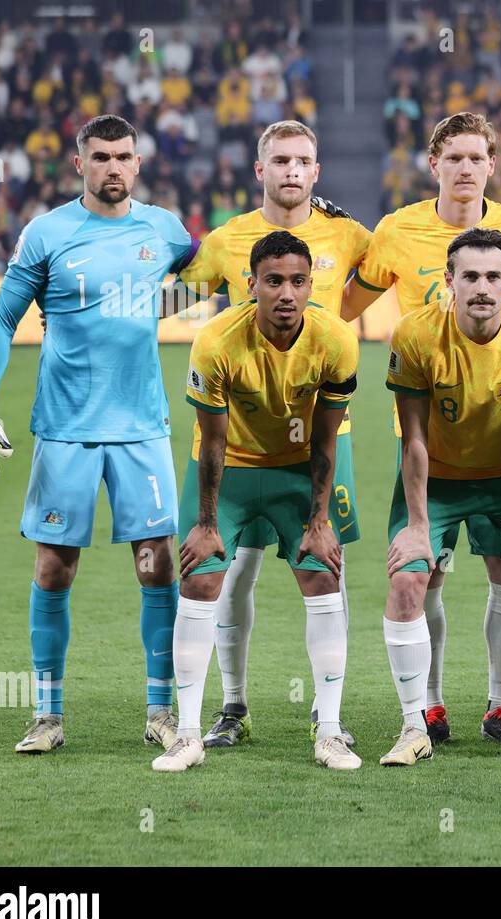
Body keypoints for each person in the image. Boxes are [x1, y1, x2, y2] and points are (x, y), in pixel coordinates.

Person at [342, 112, 501, 747]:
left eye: (475, 157)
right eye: (452, 157)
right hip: (432, 433)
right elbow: (341, 302)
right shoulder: (397, 230)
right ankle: (426, 707)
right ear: (435, 165)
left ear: (491, 164)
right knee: (419, 571)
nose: (464, 168)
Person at [0, 114, 197, 755]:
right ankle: (47, 716)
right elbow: (2, 316)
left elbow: (223, 275)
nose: (113, 167)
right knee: (54, 568)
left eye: (123, 156)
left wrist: (294, 218)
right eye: (101, 157)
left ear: (138, 163)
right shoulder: (48, 233)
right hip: (65, 429)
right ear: (80, 164)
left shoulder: (165, 229)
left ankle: (160, 710)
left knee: (155, 567)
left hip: (142, 428)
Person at [172, 119, 371, 748]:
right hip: (242, 433)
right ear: (259, 170)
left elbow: (412, 272)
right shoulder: (228, 240)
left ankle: (326, 711)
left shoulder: (351, 235)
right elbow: (172, 298)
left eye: (303, 160)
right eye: (279, 159)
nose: (291, 169)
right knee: (235, 570)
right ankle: (232, 705)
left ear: (317, 171)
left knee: (327, 565)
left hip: (322, 432)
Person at [154, 230, 360, 772]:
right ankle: (190, 735)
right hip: (233, 474)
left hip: (296, 472)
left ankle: (331, 732)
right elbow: (213, 441)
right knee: (201, 578)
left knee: (323, 572)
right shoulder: (217, 341)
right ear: (251, 286)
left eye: (297, 281)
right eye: (273, 281)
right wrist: (204, 522)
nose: (286, 293)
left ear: (311, 284)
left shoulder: (336, 340)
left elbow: (325, 437)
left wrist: (320, 518)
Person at [380, 228, 501, 766]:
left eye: (493, 276)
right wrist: (418, 526)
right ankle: (416, 721)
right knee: (410, 577)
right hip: (436, 476)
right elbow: (413, 437)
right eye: (470, 276)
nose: (482, 287)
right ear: (449, 281)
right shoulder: (415, 336)